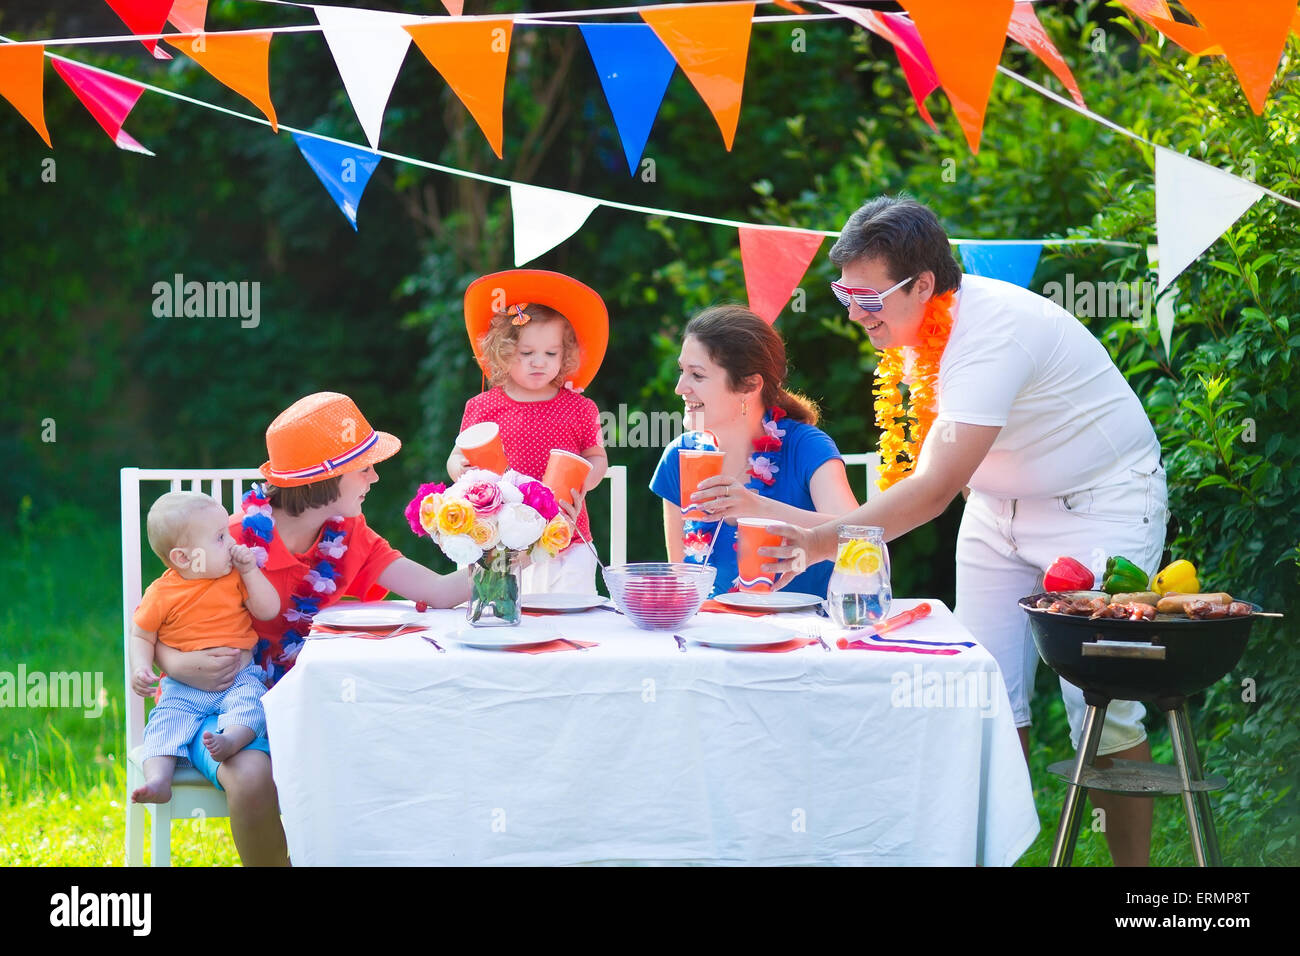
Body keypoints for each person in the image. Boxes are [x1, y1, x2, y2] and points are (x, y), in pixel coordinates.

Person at [764, 196, 1165, 866]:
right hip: (996, 510)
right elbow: (938, 483)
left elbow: (930, 493)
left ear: (922, 284)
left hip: (1100, 505)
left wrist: (817, 540)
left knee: (1102, 705)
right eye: (844, 292)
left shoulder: (991, 332)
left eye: (868, 296)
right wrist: (815, 527)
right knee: (984, 698)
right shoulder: (916, 329)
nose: (855, 312)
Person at [150, 392, 472, 865]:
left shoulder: (353, 537)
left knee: (398, 746)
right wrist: (177, 662)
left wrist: (508, 546)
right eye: (365, 467)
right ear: (327, 479)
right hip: (214, 701)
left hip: (311, 698)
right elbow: (158, 616)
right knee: (251, 774)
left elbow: (441, 592)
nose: (376, 477)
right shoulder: (233, 540)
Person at [650, 304, 859, 598]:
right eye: (682, 371)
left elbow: (862, 539)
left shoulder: (806, 447)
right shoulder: (679, 457)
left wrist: (759, 508)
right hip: (713, 634)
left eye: (697, 375)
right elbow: (682, 580)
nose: (679, 387)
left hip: (807, 635)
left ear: (750, 385)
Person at [448, 270, 609, 593]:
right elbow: (457, 456)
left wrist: (585, 480)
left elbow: (596, 456)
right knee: (501, 616)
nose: (540, 362)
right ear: (504, 353)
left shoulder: (580, 408)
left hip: (565, 535)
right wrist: (459, 469)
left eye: (551, 353)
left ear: (565, 355)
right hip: (497, 539)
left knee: (570, 618)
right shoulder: (482, 406)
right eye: (527, 353)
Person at [129, 491, 280, 804]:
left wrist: (251, 572)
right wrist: (140, 668)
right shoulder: (161, 593)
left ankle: (232, 740)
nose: (232, 543)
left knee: (251, 704)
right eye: (221, 537)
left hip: (239, 678)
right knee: (163, 723)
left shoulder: (235, 576)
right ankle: (158, 780)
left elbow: (268, 610)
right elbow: (142, 634)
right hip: (182, 688)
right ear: (184, 558)